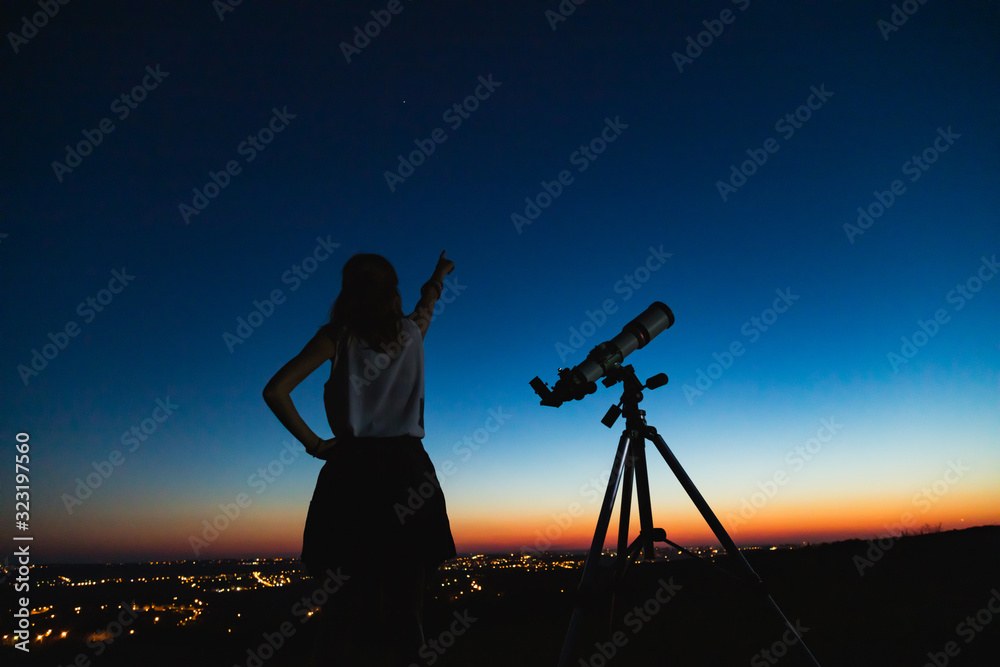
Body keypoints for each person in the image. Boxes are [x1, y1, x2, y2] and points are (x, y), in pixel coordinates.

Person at [262, 250, 457, 666]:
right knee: (409, 612)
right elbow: (427, 306)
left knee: (342, 609)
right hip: (408, 471)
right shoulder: (411, 333)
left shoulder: (336, 337)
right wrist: (438, 275)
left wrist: (315, 445)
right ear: (392, 292)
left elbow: (276, 390)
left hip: (352, 474)